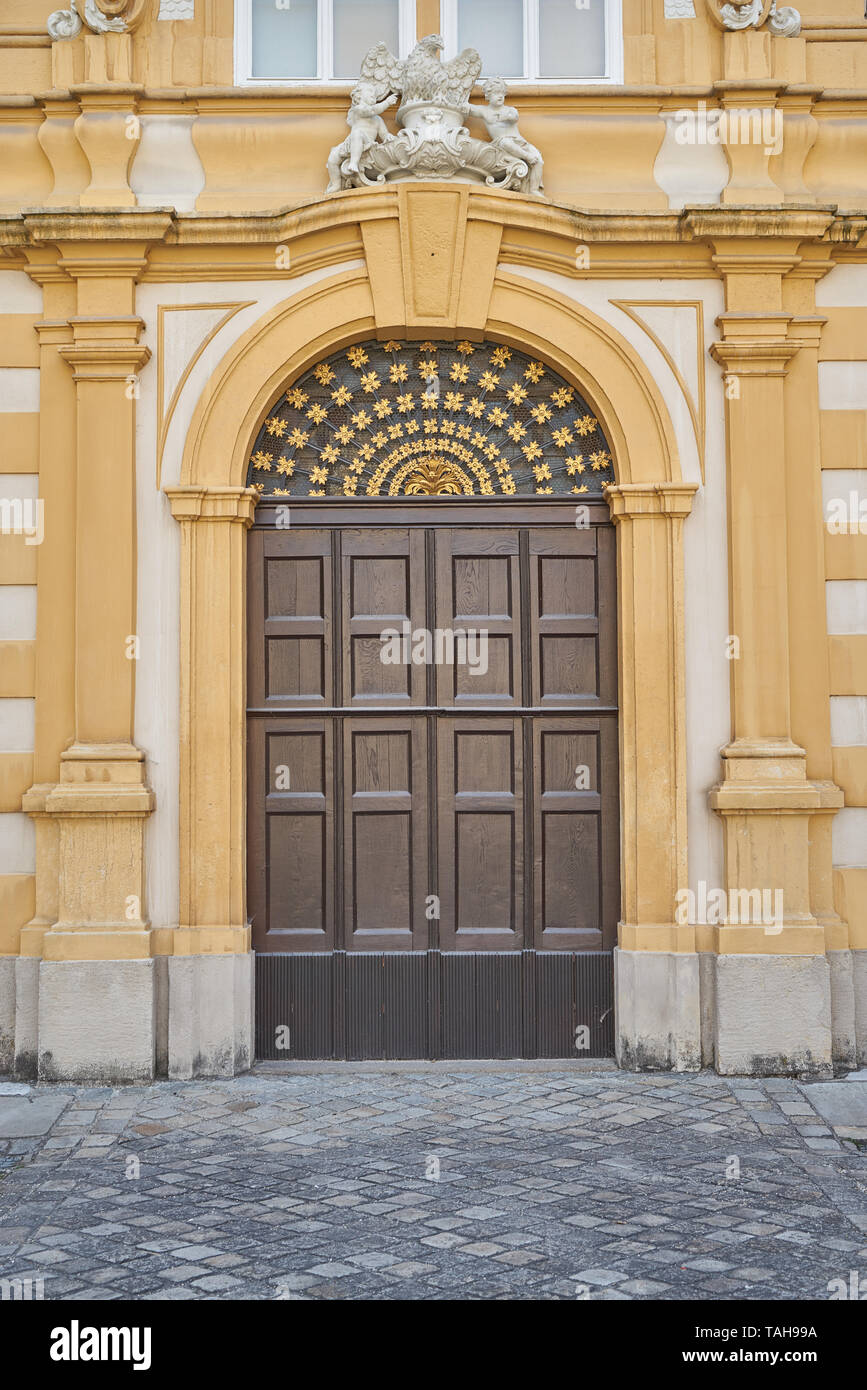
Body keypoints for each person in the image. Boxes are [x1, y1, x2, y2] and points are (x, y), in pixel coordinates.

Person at [475, 78, 544, 195]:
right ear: (488, 95)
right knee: (505, 142)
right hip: (501, 144)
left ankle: (534, 189)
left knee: (538, 159)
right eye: (496, 93)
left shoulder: (509, 110)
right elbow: (467, 108)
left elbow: (514, 117)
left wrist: (504, 116)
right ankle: (527, 157)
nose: (500, 96)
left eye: (502, 93)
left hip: (520, 142)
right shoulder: (484, 111)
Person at [326, 83, 397, 192]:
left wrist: (389, 137)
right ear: (359, 96)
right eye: (369, 91)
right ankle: (336, 184)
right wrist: (387, 102)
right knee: (332, 158)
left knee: (358, 133)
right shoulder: (358, 110)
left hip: (367, 143)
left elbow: (384, 134)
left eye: (375, 93)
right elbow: (370, 111)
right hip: (351, 142)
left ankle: (354, 162)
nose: (373, 94)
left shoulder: (378, 120)